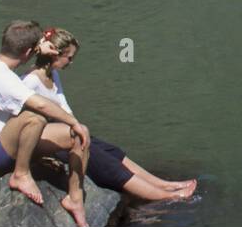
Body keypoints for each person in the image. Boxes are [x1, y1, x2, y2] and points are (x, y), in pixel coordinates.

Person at [25, 28, 197, 201]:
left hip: (62, 131)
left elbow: (64, 107)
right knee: (102, 161)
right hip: (46, 141)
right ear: (55, 54)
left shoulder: (53, 74)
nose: (71, 62)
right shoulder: (30, 81)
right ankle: (164, 196)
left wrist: (79, 128)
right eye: (69, 58)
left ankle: (163, 184)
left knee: (111, 151)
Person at [0, 21, 92, 227]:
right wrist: (73, 121)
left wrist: (38, 48)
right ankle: (20, 174)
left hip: (5, 140)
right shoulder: (2, 78)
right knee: (35, 116)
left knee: (77, 136)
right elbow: (41, 105)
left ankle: (75, 200)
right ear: (29, 51)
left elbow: (21, 46)